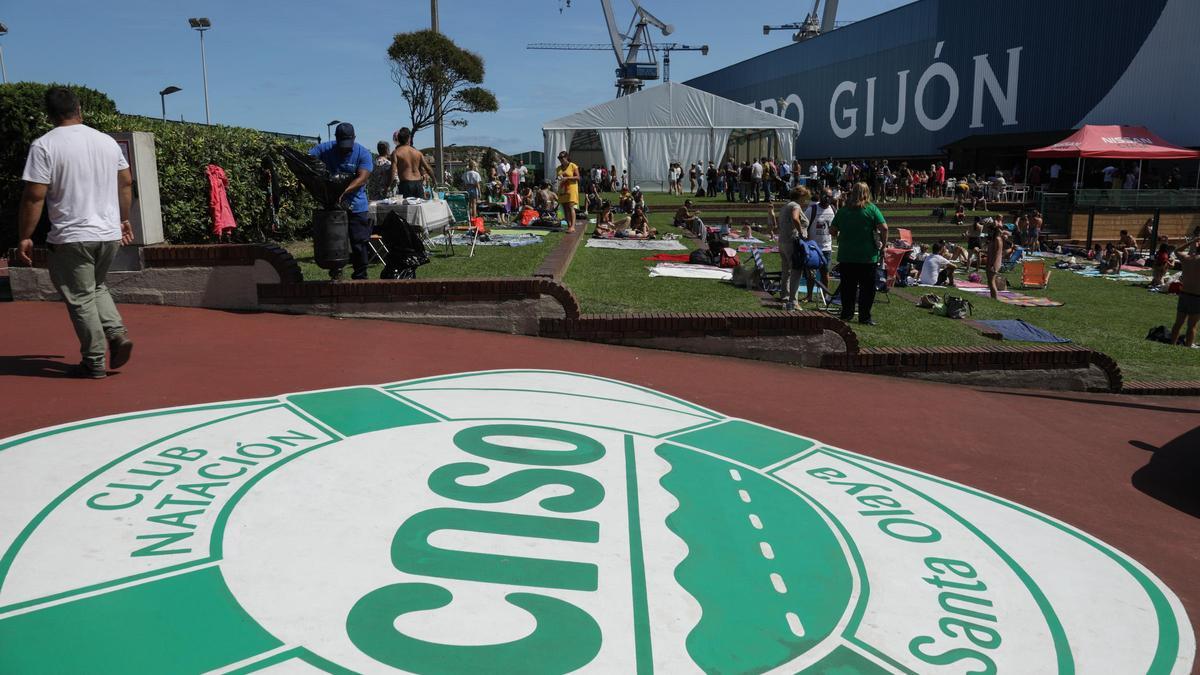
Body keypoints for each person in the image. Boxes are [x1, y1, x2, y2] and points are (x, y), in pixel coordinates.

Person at [16, 87, 135, 378]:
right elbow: (126, 182)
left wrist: (25, 235)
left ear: (50, 114)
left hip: (72, 236)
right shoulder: (107, 142)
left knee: (80, 297)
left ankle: (93, 361)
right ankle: (117, 334)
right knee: (95, 287)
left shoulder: (44, 145)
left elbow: (34, 196)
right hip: (108, 234)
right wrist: (123, 218)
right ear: (79, 108)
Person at [312, 122, 373, 280]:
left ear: (354, 138)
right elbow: (309, 159)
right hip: (333, 206)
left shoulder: (362, 153)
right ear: (336, 139)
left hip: (356, 205)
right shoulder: (324, 149)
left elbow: (362, 177)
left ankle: (361, 277)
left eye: (348, 144)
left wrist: (344, 191)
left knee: (359, 243)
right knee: (333, 243)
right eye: (341, 144)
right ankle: (336, 274)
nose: (345, 148)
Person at [832, 182, 888, 325]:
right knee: (867, 289)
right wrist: (883, 245)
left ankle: (847, 314)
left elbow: (832, 229)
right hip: (867, 256)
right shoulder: (871, 209)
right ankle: (864, 317)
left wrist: (841, 236)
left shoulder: (843, 210)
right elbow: (885, 228)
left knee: (847, 287)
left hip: (846, 255)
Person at [776, 186, 812, 309]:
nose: (805, 201)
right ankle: (794, 301)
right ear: (801, 196)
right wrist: (801, 232)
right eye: (805, 198)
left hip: (782, 241)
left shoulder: (786, 205)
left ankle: (785, 297)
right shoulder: (795, 206)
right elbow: (795, 218)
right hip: (792, 242)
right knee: (796, 272)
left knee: (786, 271)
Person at [1169, 239, 1200, 347]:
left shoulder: (1186, 258)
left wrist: (1192, 241)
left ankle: (1172, 343)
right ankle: (1187, 346)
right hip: (1197, 296)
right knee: (1192, 326)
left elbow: (1177, 250)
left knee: (1178, 323)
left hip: (1184, 294)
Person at [805, 189, 836, 292]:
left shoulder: (832, 209)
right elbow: (803, 225)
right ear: (820, 195)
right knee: (811, 274)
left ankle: (825, 296)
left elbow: (835, 227)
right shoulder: (812, 209)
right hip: (813, 247)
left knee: (825, 273)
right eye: (825, 196)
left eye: (830, 197)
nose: (827, 199)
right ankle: (809, 295)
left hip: (826, 247)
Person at [389, 127, 433, 199]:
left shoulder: (396, 153)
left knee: (407, 209)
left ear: (399, 139)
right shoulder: (417, 153)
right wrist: (434, 181)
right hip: (418, 183)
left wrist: (388, 185)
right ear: (409, 138)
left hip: (406, 184)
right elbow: (428, 169)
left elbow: (393, 171)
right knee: (419, 208)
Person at [555, 151, 580, 233]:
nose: (560, 159)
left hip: (571, 189)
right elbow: (558, 178)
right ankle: (569, 225)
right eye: (559, 158)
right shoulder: (558, 168)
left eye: (562, 157)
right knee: (565, 208)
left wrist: (567, 178)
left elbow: (578, 177)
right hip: (562, 189)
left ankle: (573, 226)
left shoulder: (573, 165)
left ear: (566, 157)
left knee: (570, 206)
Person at [985, 221, 1005, 299]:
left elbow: (997, 253)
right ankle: (992, 297)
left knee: (991, 281)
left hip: (994, 262)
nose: (988, 232)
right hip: (990, 261)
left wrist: (994, 264)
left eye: (990, 231)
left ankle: (995, 298)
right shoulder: (993, 239)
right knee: (989, 282)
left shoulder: (997, 239)